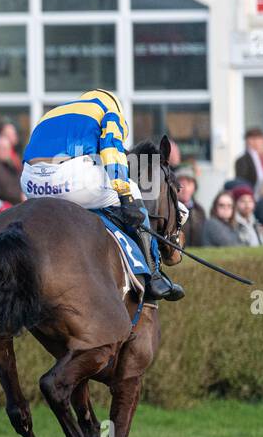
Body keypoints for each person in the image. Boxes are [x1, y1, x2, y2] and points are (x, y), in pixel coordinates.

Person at [21, 88, 182, 301]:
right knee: (133, 189)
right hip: (68, 178)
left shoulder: (55, 113)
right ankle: (153, 274)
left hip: (30, 182)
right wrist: (125, 196)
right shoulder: (110, 112)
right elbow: (111, 152)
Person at [175, 164, 206, 248]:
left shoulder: (199, 210)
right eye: (181, 184)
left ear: (194, 187)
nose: (185, 189)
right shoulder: (170, 210)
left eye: (189, 184)